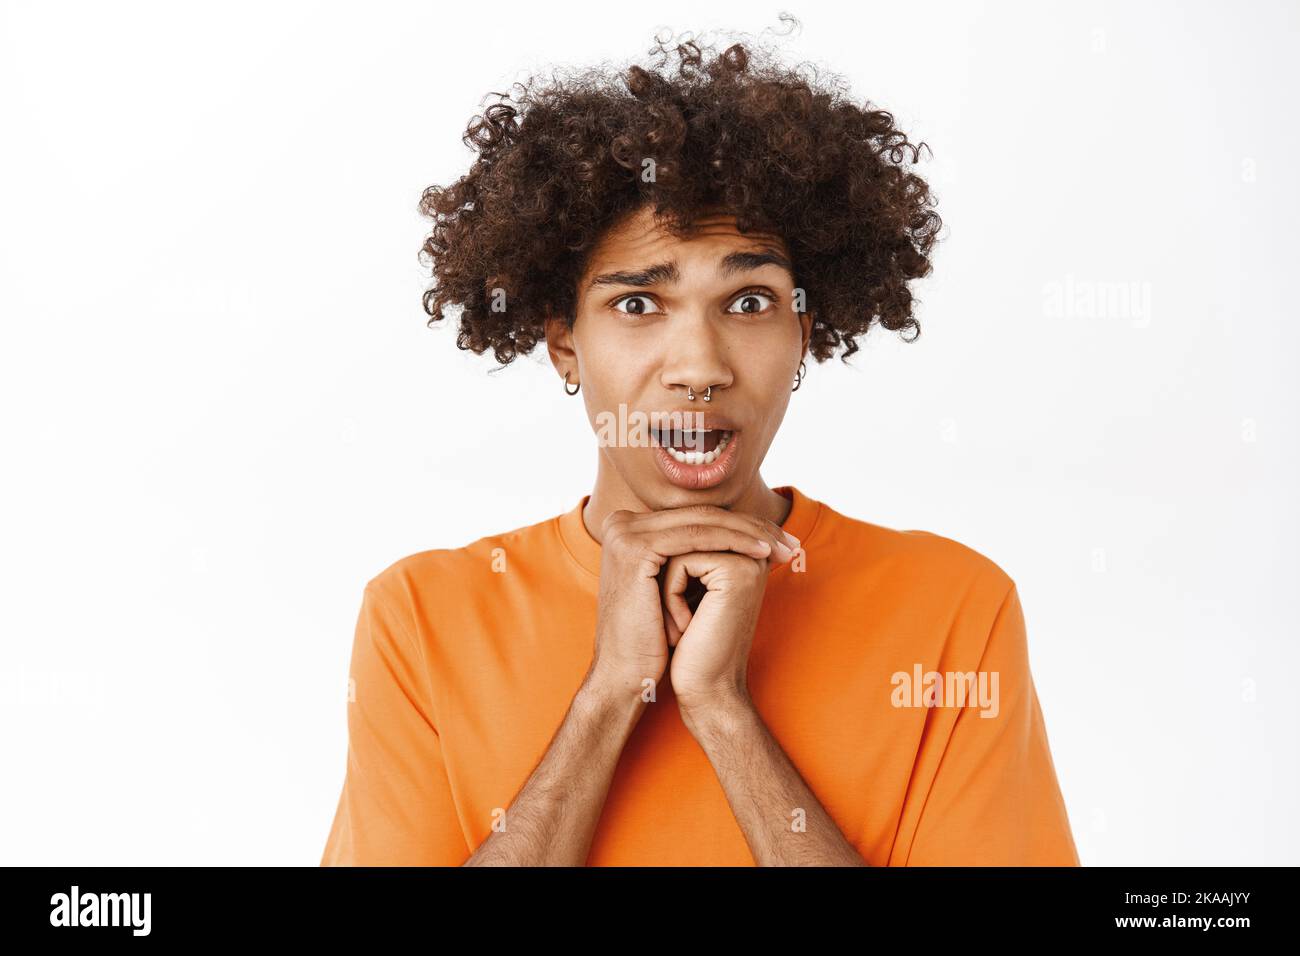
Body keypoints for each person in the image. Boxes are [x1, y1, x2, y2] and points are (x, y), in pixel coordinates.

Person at [321, 31, 1079, 866]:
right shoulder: (424, 617)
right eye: (639, 305)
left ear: (805, 335)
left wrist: (720, 708)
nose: (700, 368)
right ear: (564, 344)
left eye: (749, 301)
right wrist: (610, 696)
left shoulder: (953, 610)